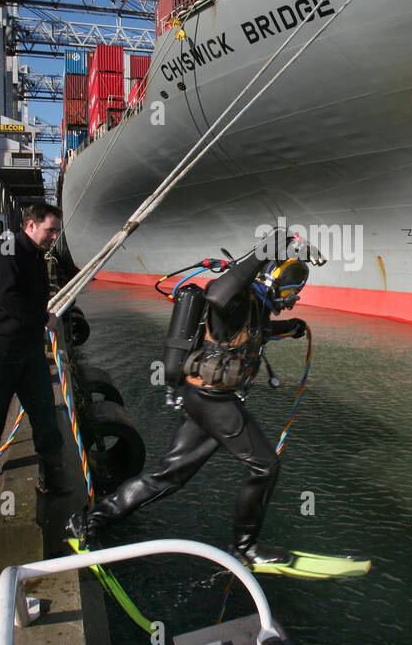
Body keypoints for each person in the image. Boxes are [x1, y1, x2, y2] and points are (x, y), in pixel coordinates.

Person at [68, 230, 323, 565]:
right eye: (292, 285)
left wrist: (290, 327)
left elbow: (253, 334)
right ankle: (245, 548)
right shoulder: (233, 300)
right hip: (215, 401)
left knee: (168, 475)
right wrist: (269, 245)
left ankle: (92, 520)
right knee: (264, 464)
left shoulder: (253, 309)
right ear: (273, 278)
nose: (294, 294)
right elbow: (216, 293)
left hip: (202, 399)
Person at [0, 202, 69, 517]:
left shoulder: (36, 255)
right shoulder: (7, 253)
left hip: (28, 350)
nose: (54, 237)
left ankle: (52, 474)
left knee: (45, 414)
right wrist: (43, 319)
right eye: (50, 231)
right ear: (31, 225)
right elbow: (5, 298)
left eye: (56, 232)